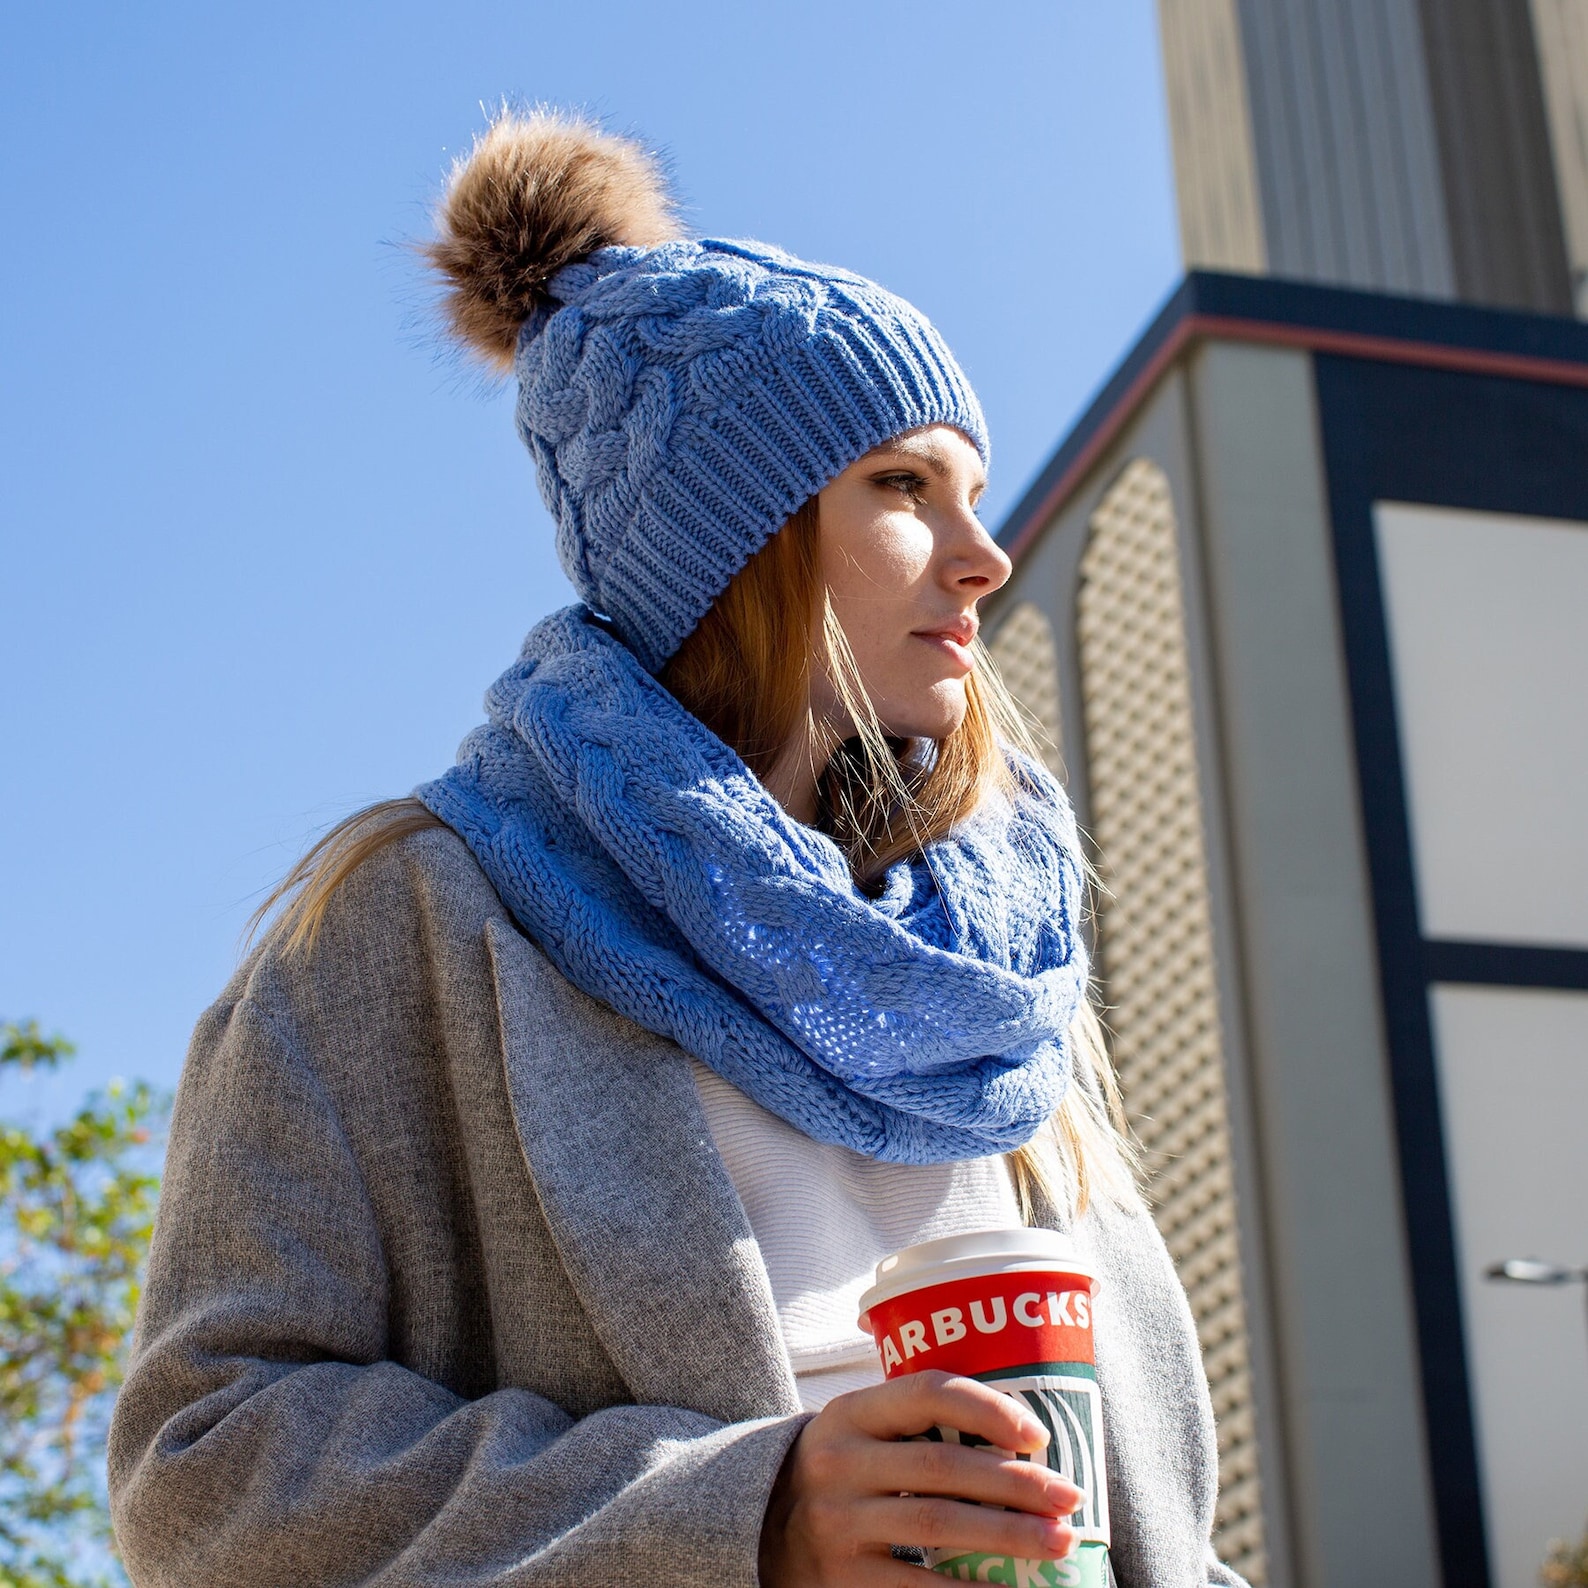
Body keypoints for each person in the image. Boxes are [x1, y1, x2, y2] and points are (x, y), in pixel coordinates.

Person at [106, 110, 1250, 1588]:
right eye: (901, 487)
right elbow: (206, 1471)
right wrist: (749, 1514)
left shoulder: (997, 964)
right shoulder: (416, 919)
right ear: (732, 542)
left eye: (973, 489)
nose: (985, 552)